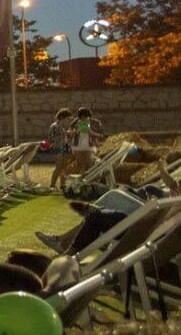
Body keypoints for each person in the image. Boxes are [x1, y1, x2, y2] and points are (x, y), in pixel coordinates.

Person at [36, 157, 181, 255]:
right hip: (147, 220)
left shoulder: (174, 205)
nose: (178, 184)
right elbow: (173, 186)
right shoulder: (174, 201)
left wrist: (154, 207)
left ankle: (66, 249)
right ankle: (65, 243)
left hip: (144, 226)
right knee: (106, 207)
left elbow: (164, 219)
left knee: (107, 204)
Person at [68, 107, 102, 172]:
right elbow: (70, 134)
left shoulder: (94, 122)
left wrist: (94, 134)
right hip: (78, 147)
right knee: (81, 165)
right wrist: (76, 131)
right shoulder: (75, 123)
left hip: (89, 146)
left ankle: (89, 180)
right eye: (84, 117)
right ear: (80, 117)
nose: (86, 118)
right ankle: (83, 181)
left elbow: (98, 134)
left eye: (87, 117)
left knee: (90, 165)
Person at [47, 108, 74, 190]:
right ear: (63, 117)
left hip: (64, 148)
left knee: (64, 167)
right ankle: (52, 185)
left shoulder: (61, 126)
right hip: (58, 149)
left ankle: (63, 185)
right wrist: (68, 133)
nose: (68, 120)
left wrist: (68, 134)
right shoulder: (55, 126)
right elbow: (56, 138)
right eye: (67, 118)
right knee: (58, 167)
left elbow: (64, 137)